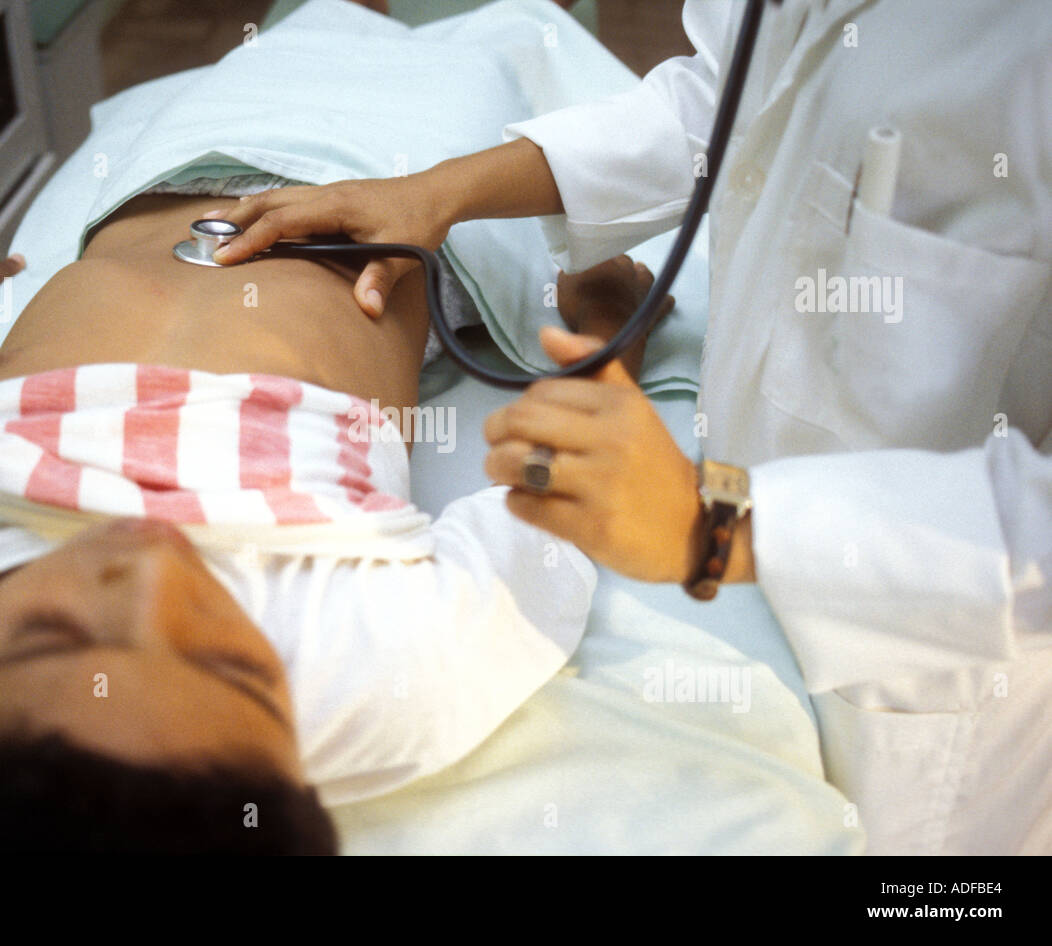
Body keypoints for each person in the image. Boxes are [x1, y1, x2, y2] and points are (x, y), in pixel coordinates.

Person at [218, 0, 1052, 854]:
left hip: (935, 632)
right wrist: (440, 193)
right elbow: (725, 98)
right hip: (746, 501)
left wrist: (716, 524)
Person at [0, 124, 686, 847]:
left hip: (162, 175)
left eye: (49, 631)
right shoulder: (396, 675)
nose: (159, 557)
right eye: (237, 665)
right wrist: (609, 331)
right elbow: (570, 483)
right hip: (394, 176)